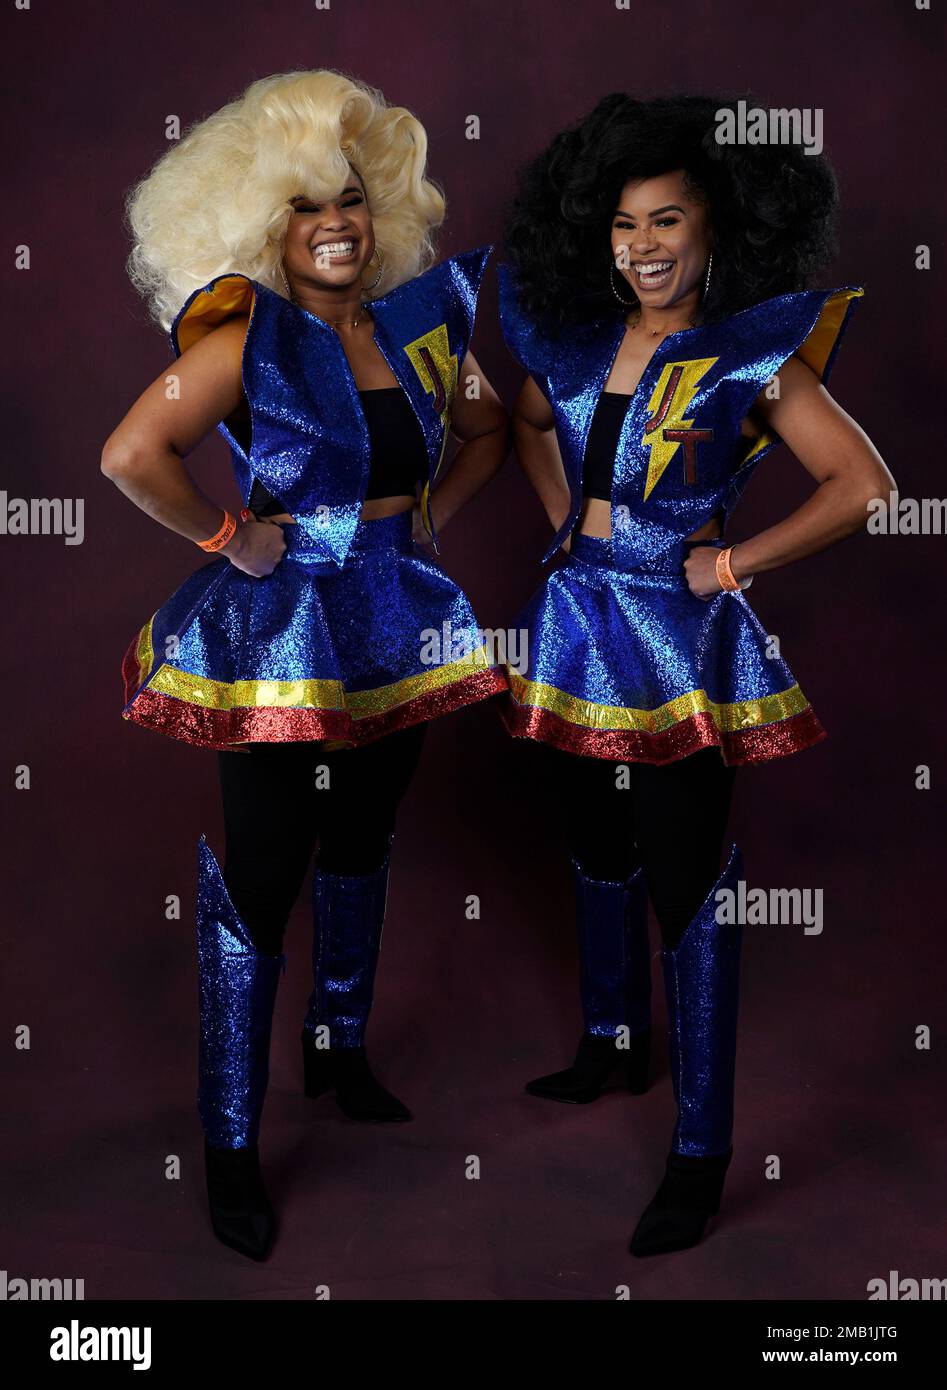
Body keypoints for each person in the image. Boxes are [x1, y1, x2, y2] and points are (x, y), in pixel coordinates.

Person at [102, 69, 509, 1261]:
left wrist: (424, 519)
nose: (333, 222)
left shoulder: (418, 327)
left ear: (379, 207)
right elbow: (133, 452)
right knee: (264, 872)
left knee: (365, 839)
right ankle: (228, 1143)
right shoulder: (243, 339)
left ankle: (338, 1052)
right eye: (299, 205)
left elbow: (483, 427)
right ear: (254, 223)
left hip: (396, 613)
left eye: (348, 198)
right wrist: (230, 537)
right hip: (282, 636)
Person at [498, 92, 892, 1256]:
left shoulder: (749, 351)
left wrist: (730, 560)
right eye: (622, 227)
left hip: (679, 642)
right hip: (573, 623)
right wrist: (567, 518)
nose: (643, 248)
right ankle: (611, 1043)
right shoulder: (572, 339)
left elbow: (861, 486)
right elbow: (524, 423)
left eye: (666, 221)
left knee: (690, 884)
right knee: (594, 844)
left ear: (717, 227)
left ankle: (698, 1151)